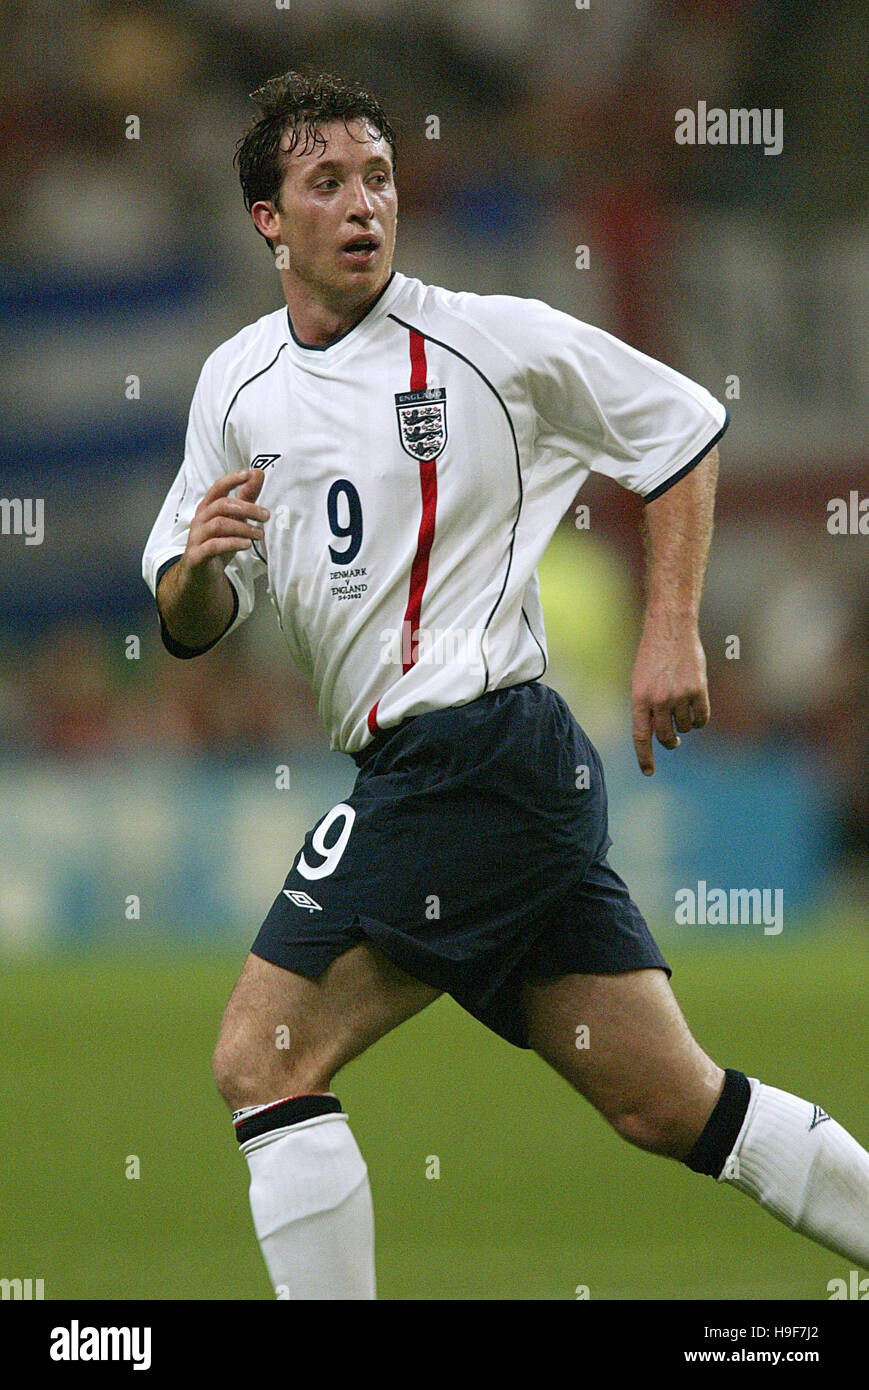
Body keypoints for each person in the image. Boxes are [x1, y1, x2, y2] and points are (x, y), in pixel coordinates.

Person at [142, 72, 868, 1299]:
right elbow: (190, 610)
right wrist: (204, 573)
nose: (363, 203)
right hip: (471, 779)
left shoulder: (483, 342)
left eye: (378, 177)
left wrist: (668, 631)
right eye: (327, 183)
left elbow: (683, 428)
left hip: (473, 753)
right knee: (666, 1101)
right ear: (268, 218)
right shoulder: (236, 384)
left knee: (262, 1057)